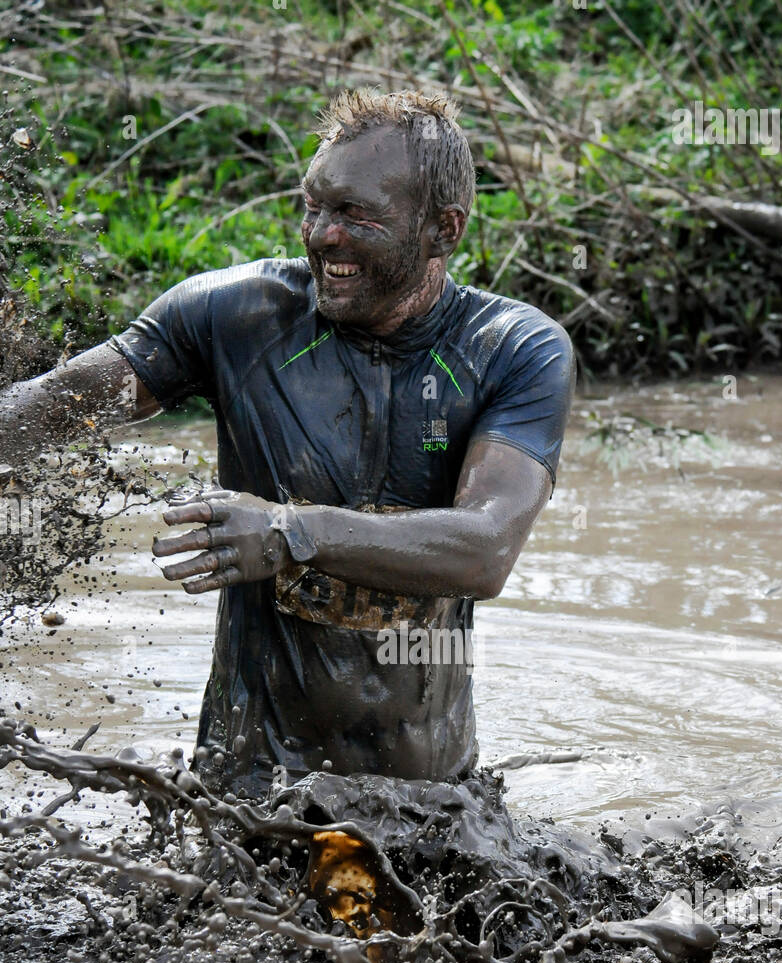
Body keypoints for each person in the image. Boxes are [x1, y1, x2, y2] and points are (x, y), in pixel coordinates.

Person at [0, 89, 574, 798]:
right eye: (314, 206)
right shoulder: (231, 316)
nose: (322, 235)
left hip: (433, 798)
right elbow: (41, 413)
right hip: (244, 793)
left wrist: (285, 530)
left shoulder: (514, 349)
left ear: (442, 229)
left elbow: (484, 549)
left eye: (356, 215)